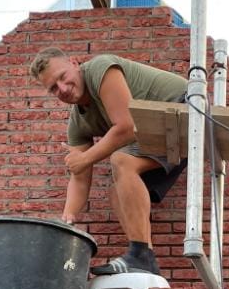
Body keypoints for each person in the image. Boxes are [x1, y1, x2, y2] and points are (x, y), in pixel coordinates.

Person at [29, 49, 188, 276]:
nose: (62, 89)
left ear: (75, 62)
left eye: (63, 77)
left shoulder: (100, 68)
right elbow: (80, 177)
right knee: (118, 192)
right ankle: (145, 260)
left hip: (183, 109)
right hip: (157, 132)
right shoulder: (77, 123)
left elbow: (125, 127)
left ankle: (140, 255)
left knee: (121, 160)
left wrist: (84, 157)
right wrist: (67, 220)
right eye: (53, 88)